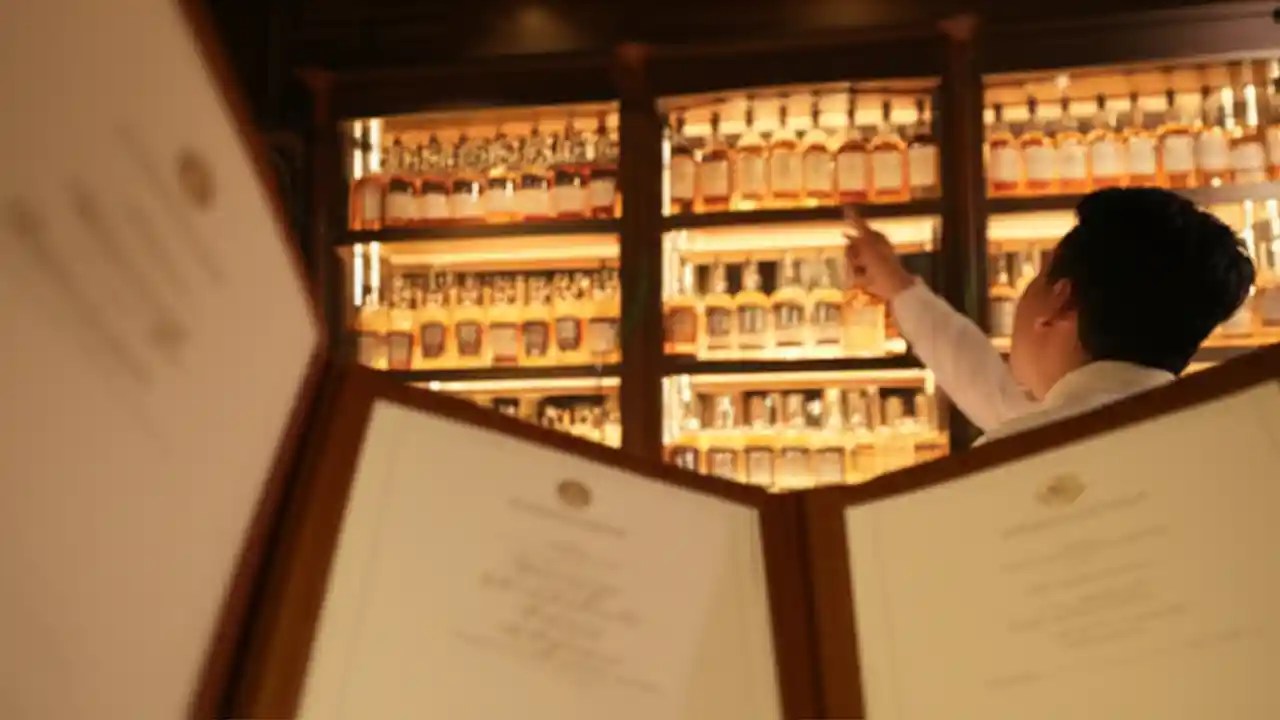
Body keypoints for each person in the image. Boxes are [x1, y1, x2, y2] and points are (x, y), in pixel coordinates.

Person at [845, 187, 1256, 444]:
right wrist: (899, 286)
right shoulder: (1232, 446)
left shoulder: (1005, 459)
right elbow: (994, 395)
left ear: (1059, 302)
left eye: (1037, 274)